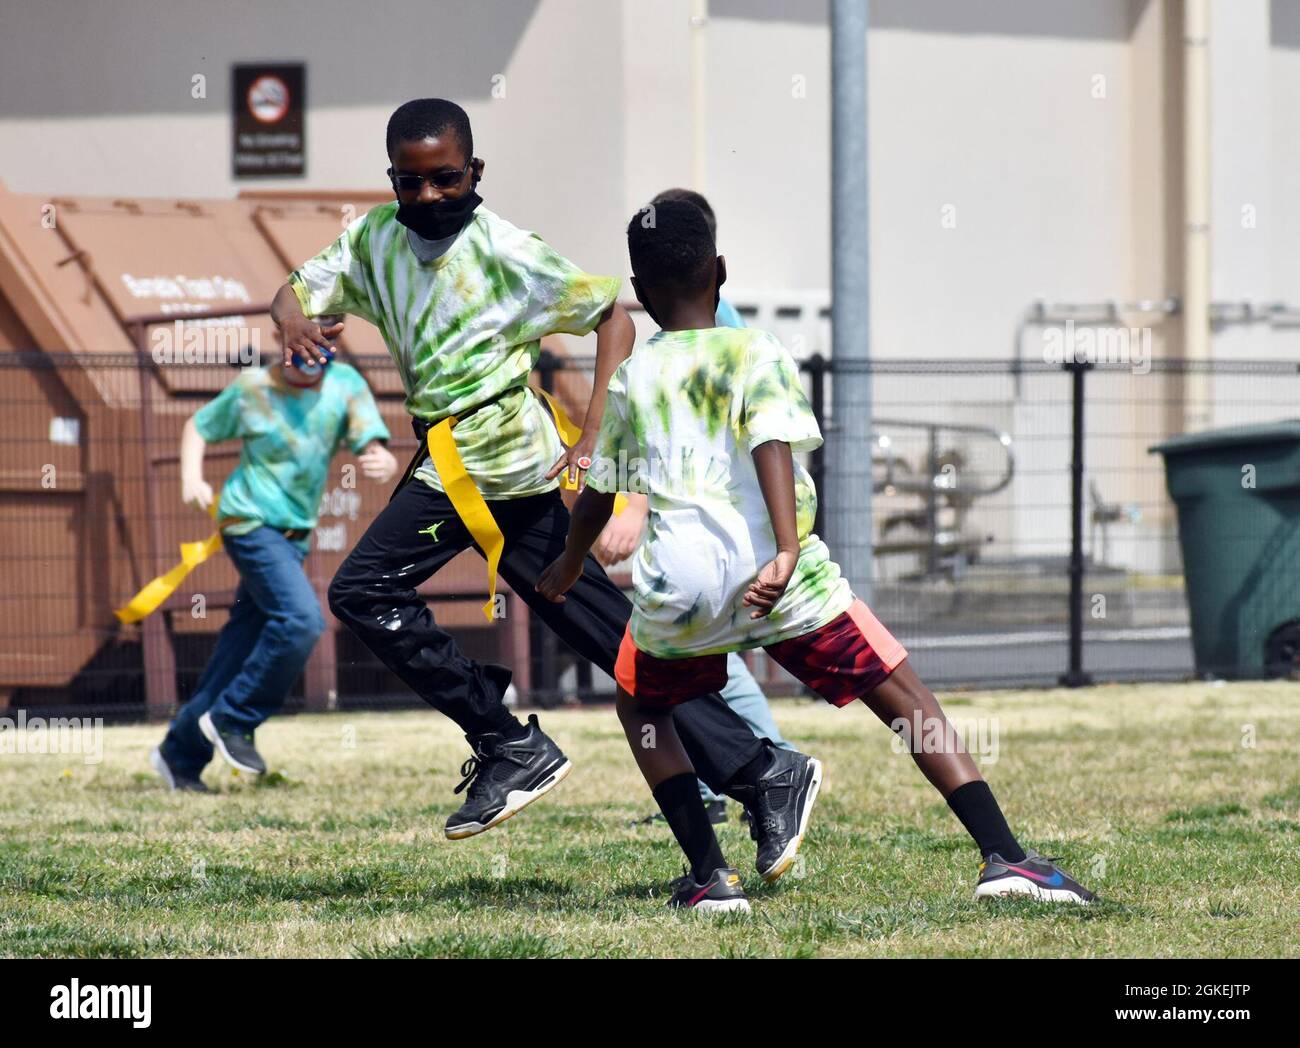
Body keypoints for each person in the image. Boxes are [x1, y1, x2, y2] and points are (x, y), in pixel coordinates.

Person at [273, 99, 820, 881]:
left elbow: (613, 318)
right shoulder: (372, 239)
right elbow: (296, 288)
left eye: (446, 179)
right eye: (411, 182)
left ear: (475, 172)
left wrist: (595, 425)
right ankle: (762, 771)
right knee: (618, 642)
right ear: (393, 179)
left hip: (490, 459)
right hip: (462, 463)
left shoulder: (507, 253)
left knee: (364, 590)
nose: (428, 196)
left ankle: (508, 742)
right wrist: (288, 319)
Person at [537, 199, 1096, 912]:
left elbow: (599, 490)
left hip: (681, 585)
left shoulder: (632, 376)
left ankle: (711, 878)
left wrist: (571, 559)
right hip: (780, 575)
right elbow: (771, 440)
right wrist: (787, 547)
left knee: (640, 707)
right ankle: (1006, 858)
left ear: (641, 297)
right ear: (722, 274)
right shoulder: (755, 350)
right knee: (906, 699)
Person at [593, 187, 795, 826]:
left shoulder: (717, 332)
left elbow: (693, 437)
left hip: (718, 531)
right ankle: (749, 776)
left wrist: (631, 508)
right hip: (707, 531)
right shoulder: (691, 323)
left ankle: (775, 768)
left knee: (682, 665)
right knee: (700, 663)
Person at [151, 347, 396, 791]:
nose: (307, 367)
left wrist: (384, 459)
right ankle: (233, 719)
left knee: (240, 649)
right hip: (248, 523)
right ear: (282, 341)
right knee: (301, 622)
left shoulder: (346, 385)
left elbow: (371, 442)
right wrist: (192, 476)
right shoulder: (254, 389)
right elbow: (199, 426)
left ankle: (179, 756)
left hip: (293, 537)